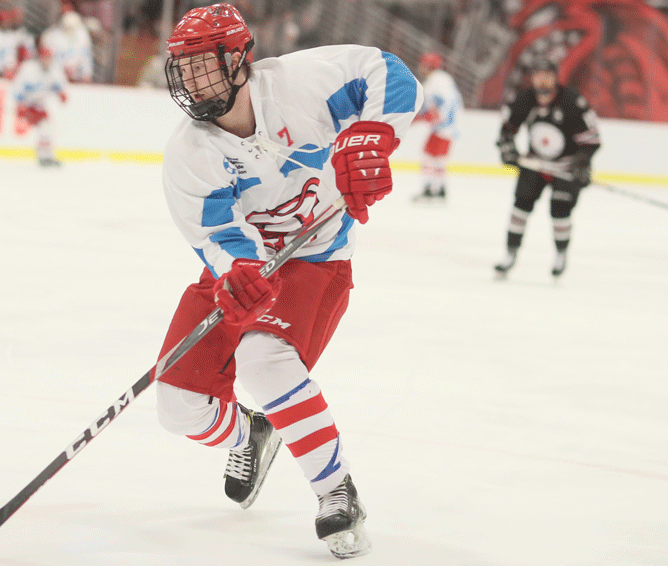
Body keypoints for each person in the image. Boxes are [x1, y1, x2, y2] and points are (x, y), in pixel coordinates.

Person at [156, 3, 421, 559]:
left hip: (317, 258)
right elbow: (214, 233)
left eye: (204, 65)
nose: (192, 80)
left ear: (239, 61)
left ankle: (336, 492)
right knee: (178, 406)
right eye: (183, 67)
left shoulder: (302, 84)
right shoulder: (190, 150)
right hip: (246, 266)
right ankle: (252, 435)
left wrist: (370, 137)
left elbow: (391, 73)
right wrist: (235, 272)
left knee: (263, 360)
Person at [494, 57, 601, 278]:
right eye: (537, 75)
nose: (542, 80)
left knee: (560, 211)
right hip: (534, 164)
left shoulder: (573, 102)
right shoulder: (524, 99)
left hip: (565, 167)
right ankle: (510, 253)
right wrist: (508, 150)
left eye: (547, 75)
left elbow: (591, 140)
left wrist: (582, 162)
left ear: (555, 77)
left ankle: (561, 253)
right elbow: (506, 130)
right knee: (520, 207)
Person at [411, 51, 461, 202]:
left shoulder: (437, 80)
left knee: (428, 156)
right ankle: (440, 188)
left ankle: (429, 188)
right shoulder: (440, 79)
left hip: (443, 127)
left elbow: (449, 101)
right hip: (445, 127)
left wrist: (438, 117)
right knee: (438, 159)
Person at [12, 43, 67, 167]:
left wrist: (62, 93)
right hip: (28, 105)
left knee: (47, 129)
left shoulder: (54, 70)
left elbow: (59, 86)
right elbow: (18, 87)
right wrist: (20, 104)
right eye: (44, 58)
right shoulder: (28, 69)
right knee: (45, 130)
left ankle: (45, 155)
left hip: (40, 105)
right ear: (40, 58)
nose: (47, 61)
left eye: (49, 58)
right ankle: (44, 156)